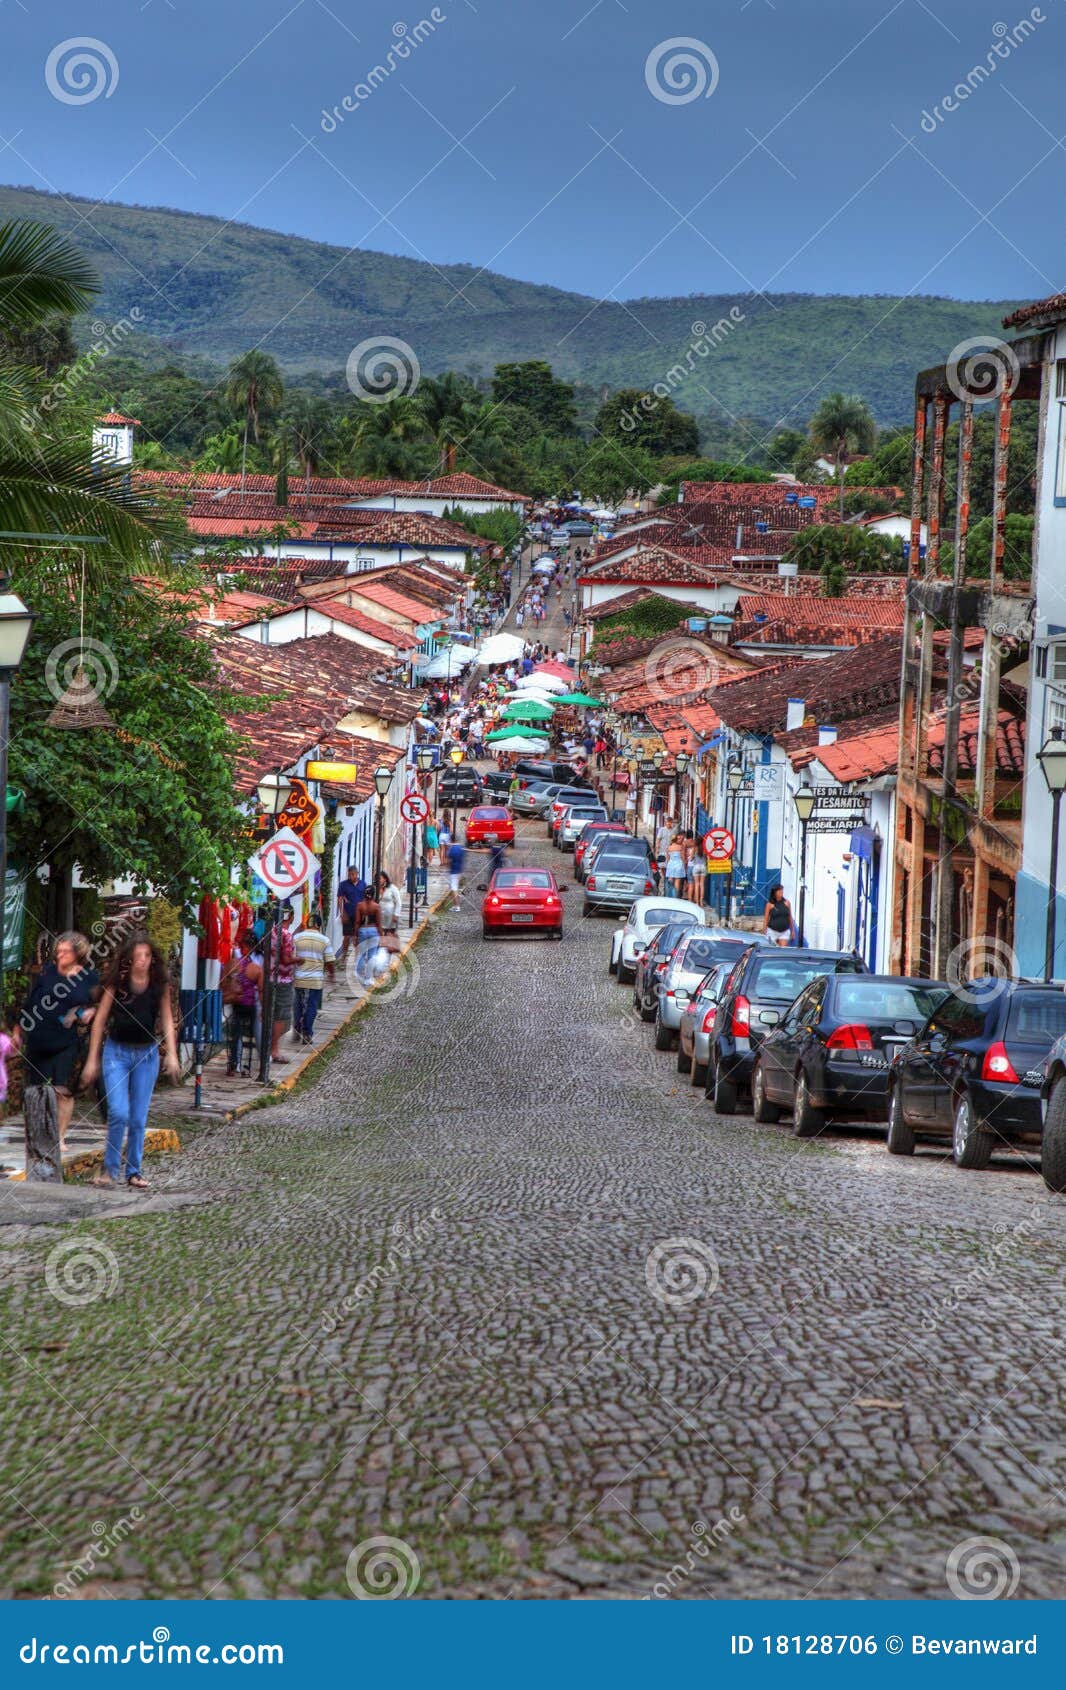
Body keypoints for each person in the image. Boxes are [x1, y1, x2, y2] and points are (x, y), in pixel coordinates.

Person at [82, 933, 180, 1190]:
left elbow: (168, 1020)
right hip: (117, 1053)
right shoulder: (118, 984)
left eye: (147, 956)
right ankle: (109, 1169)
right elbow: (100, 1021)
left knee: (138, 1118)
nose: (142, 961)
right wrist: (92, 1060)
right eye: (138, 956)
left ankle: (134, 1171)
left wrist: (171, 1053)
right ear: (129, 959)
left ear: (152, 958)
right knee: (118, 1112)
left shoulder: (159, 985)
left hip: (146, 1054)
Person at [20, 931, 99, 1153]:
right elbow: (31, 1002)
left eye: (66, 951)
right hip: (39, 1037)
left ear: (78, 953)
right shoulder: (47, 973)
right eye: (59, 950)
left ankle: (60, 1137)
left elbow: (102, 1005)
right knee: (34, 1091)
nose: (60, 954)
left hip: (67, 1040)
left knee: (62, 1089)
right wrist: (21, 1028)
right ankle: (36, 1135)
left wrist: (87, 1011)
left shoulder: (89, 978)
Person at [221, 931, 261, 1075]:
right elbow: (261, 990)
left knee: (235, 1035)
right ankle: (246, 1067)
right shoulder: (255, 967)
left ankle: (233, 1065)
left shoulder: (233, 963)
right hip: (250, 1005)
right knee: (248, 1037)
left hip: (237, 1004)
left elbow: (223, 982)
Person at [293, 913, 335, 1044]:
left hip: (299, 978)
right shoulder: (324, 940)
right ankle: (307, 1033)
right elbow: (330, 961)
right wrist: (331, 974)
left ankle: (297, 1028)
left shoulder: (296, 937)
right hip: (315, 981)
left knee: (298, 1005)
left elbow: (292, 957)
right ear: (319, 925)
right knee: (312, 1006)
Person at [336, 865, 367, 966]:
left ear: (357, 874)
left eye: (353, 874)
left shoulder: (363, 884)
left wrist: (364, 912)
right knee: (347, 937)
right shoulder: (343, 885)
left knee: (357, 937)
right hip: (348, 914)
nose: (351, 876)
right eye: (349, 875)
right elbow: (340, 899)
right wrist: (342, 913)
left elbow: (365, 899)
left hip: (359, 915)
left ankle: (357, 960)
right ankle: (343, 958)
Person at [353, 887, 382, 984]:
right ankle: (367, 979)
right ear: (373, 895)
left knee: (361, 954)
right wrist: (381, 936)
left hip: (363, 931)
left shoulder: (359, 906)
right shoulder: (376, 906)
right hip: (374, 931)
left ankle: (357, 975)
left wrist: (355, 935)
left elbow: (357, 922)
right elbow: (378, 923)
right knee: (372, 956)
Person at [378, 872, 402, 944]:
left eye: (380, 878)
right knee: (381, 936)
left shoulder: (392, 888)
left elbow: (398, 902)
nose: (378, 880)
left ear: (385, 879)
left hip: (390, 917)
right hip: (380, 916)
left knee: (390, 935)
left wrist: (396, 914)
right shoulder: (376, 888)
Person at [447, 835, 466, 911]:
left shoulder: (452, 849)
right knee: (456, 888)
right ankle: (457, 905)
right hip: (459, 870)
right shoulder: (461, 848)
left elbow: (449, 861)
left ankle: (456, 906)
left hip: (453, 871)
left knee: (454, 889)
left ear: (451, 840)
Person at [665, 833, 687, 899]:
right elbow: (683, 857)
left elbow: (667, 858)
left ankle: (670, 895)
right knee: (677, 882)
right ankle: (675, 897)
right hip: (679, 864)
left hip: (671, 864)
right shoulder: (680, 847)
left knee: (670, 881)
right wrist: (685, 865)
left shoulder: (669, 848)